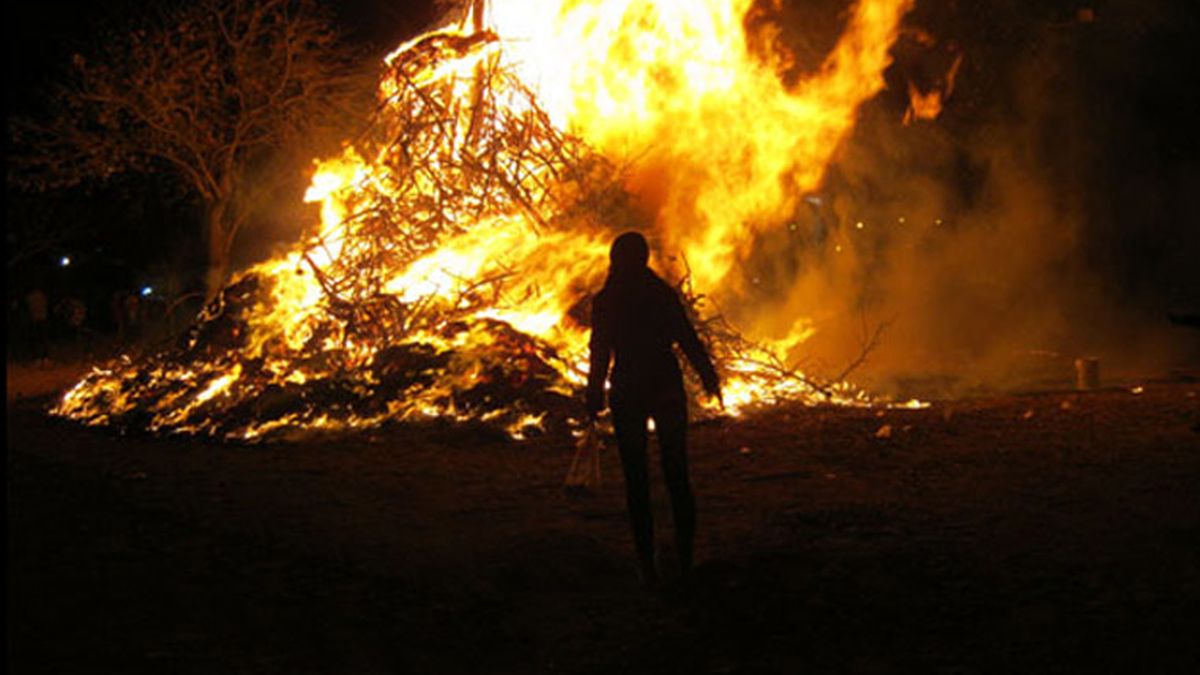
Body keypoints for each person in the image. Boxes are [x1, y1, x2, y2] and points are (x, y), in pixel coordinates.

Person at [585, 231, 721, 585]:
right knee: (677, 472)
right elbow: (686, 337)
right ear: (644, 259)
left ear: (615, 259)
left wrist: (594, 392)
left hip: (628, 387)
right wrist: (708, 375)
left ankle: (646, 564)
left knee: (636, 478)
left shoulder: (608, 300)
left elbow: (600, 351)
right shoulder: (660, 294)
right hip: (664, 384)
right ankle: (685, 559)